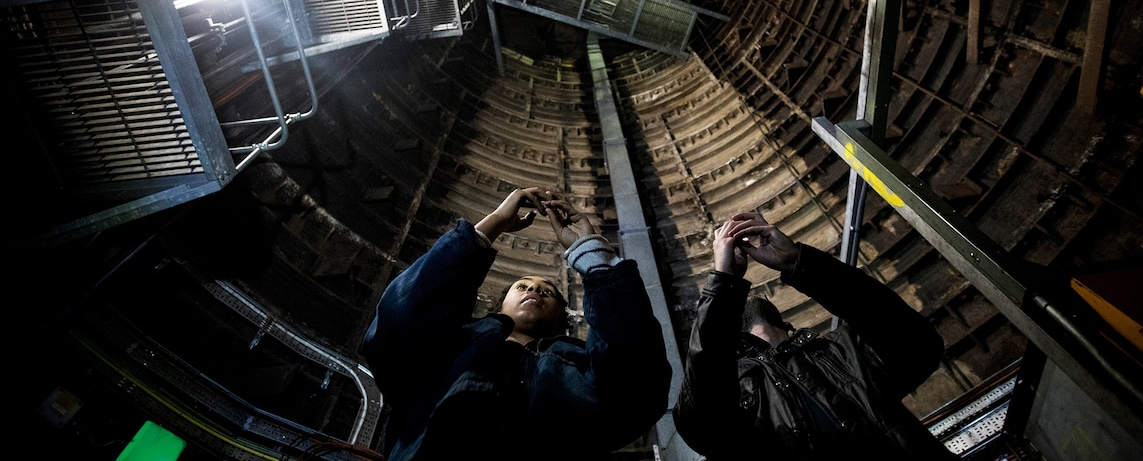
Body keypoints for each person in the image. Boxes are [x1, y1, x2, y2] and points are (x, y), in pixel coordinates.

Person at [360, 186, 671, 461]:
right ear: (500, 305)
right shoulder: (449, 346)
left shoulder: (583, 367)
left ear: (562, 320)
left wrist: (591, 253)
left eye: (547, 292)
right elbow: (399, 323)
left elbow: (638, 377)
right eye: (522, 286)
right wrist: (493, 223)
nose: (534, 290)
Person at [672, 211, 958, 460]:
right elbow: (702, 409)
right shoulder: (733, 389)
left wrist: (797, 261)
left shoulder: (843, 349)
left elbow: (915, 341)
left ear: (791, 329)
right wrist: (724, 282)